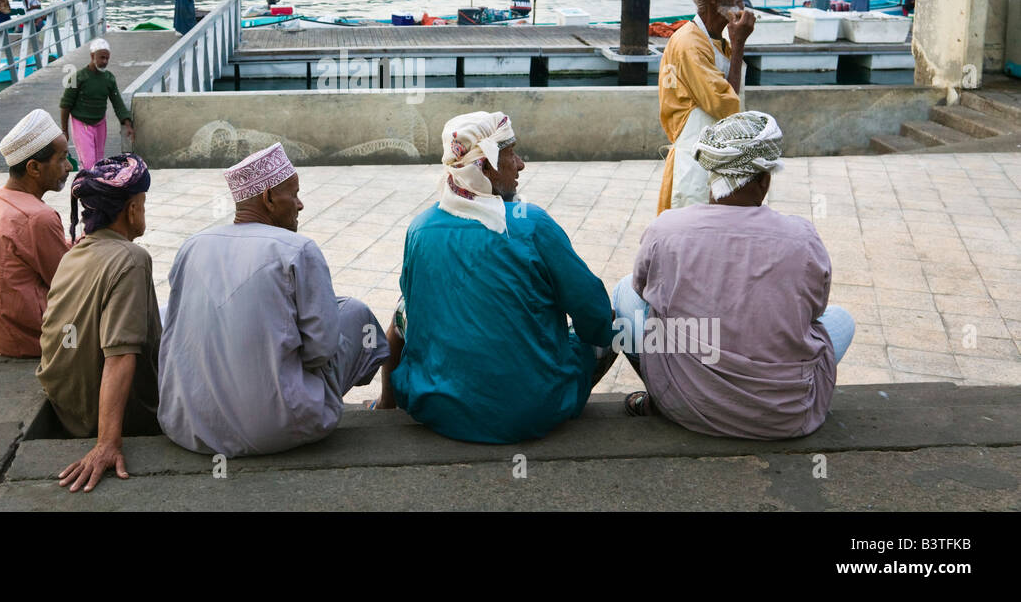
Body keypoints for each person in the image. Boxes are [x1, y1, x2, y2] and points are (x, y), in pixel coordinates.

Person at [377, 112, 616, 443]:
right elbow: (597, 318)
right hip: (532, 412)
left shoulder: (419, 228)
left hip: (435, 410)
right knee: (617, 312)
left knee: (403, 310)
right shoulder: (531, 222)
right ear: (485, 166)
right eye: (511, 154)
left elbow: (414, 309)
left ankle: (385, 405)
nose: (520, 165)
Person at [612, 111, 853, 440]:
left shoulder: (665, 229)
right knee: (842, 320)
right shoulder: (803, 237)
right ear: (764, 180)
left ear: (711, 176)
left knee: (624, 290)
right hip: (786, 417)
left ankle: (660, 394)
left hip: (685, 406)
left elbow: (641, 289)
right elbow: (815, 312)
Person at [158, 144, 388, 457]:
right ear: (268, 198)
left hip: (187, 427)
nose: (300, 204)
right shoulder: (298, 249)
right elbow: (321, 350)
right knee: (354, 313)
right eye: (293, 194)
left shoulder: (192, 246)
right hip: (276, 430)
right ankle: (378, 404)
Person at [37, 153, 161, 492]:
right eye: (143, 204)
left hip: (68, 409)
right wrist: (107, 443)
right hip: (98, 417)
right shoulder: (133, 259)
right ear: (132, 209)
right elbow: (120, 355)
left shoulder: (75, 252)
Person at [0, 109, 72, 357]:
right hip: (23, 337)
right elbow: (68, 283)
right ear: (34, 168)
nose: (69, 167)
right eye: (62, 159)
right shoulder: (39, 218)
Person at [656, 0, 753, 213]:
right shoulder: (689, 43)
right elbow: (725, 105)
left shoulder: (713, 41)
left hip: (713, 159)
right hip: (695, 166)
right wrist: (740, 43)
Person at [60, 38, 134, 172]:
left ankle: (96, 186)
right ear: (92, 56)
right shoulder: (77, 77)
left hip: (100, 122)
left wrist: (127, 123)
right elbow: (65, 105)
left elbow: (117, 102)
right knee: (88, 164)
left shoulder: (109, 78)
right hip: (81, 123)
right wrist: (64, 131)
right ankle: (86, 187)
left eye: (107, 58)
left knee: (99, 162)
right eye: (102, 57)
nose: (104, 61)